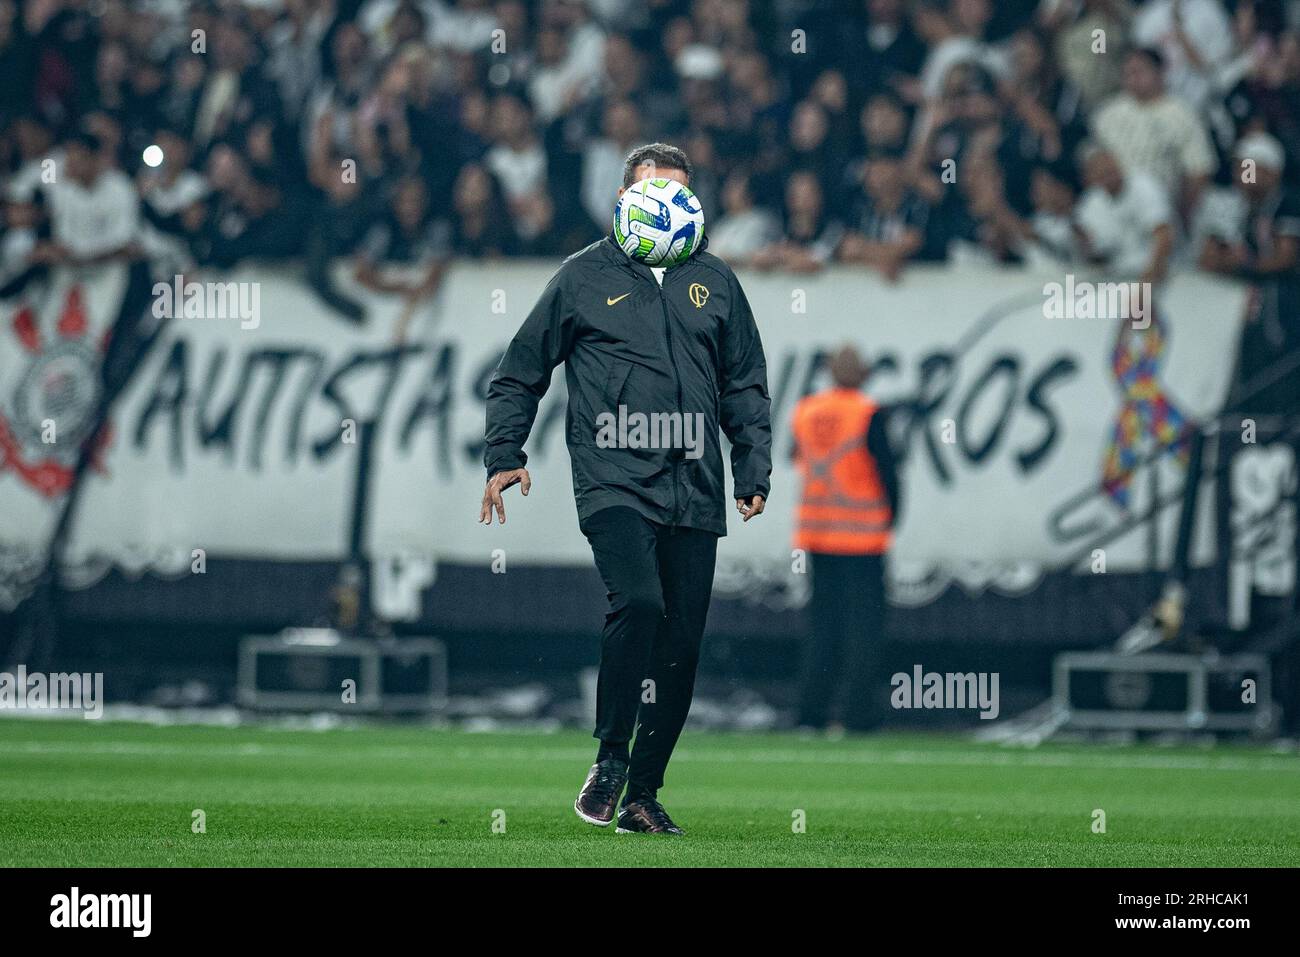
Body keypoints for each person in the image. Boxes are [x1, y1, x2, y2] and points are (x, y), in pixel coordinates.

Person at [480, 143, 772, 835]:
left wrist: (752, 467)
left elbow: (745, 382)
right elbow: (520, 371)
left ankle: (643, 792)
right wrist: (503, 453)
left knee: (684, 643)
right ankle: (610, 755)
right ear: (622, 199)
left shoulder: (717, 281)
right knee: (639, 600)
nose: (667, 206)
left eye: (678, 193)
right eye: (652, 192)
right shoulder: (582, 276)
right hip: (613, 475)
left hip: (695, 483)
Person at [791, 346, 899, 732]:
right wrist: (891, 517)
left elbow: (797, 459)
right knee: (863, 631)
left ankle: (810, 712)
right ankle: (858, 714)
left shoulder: (806, 410)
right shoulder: (867, 413)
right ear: (865, 375)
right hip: (863, 540)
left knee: (821, 627)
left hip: (817, 535)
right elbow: (888, 472)